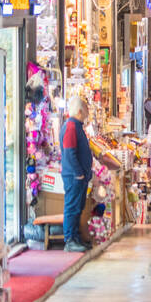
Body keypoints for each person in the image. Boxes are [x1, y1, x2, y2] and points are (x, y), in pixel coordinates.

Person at [60, 97, 94, 253]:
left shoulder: (76, 126)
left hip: (79, 177)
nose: (87, 113)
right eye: (86, 109)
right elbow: (69, 152)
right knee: (72, 207)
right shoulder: (71, 127)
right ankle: (70, 240)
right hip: (74, 177)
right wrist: (79, 173)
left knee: (77, 207)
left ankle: (76, 238)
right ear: (80, 111)